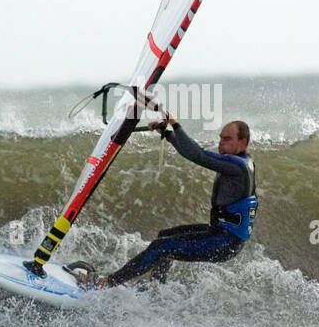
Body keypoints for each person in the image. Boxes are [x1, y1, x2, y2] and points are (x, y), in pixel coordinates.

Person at [91, 115, 257, 288]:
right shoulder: (243, 161)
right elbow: (195, 151)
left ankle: (107, 283)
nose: (221, 143)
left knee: (160, 247)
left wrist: (175, 125)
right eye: (221, 138)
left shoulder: (236, 166)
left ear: (243, 142)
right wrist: (169, 134)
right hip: (221, 234)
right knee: (165, 236)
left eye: (227, 139)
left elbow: (197, 155)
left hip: (225, 242)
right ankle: (156, 287)